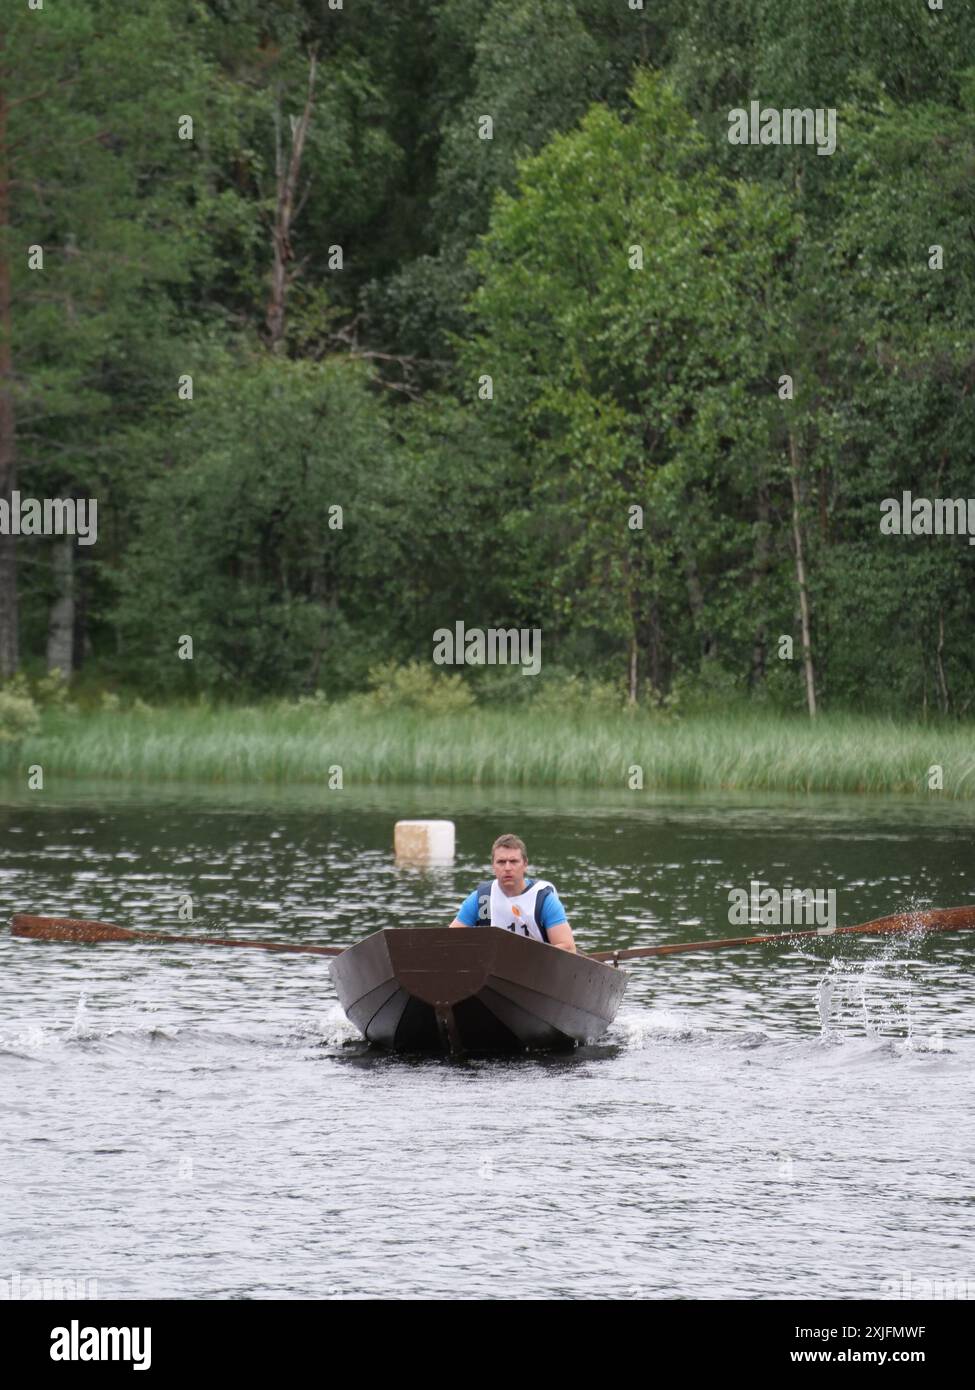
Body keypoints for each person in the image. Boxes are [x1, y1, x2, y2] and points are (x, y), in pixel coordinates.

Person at [448, 833, 577, 952]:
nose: (508, 868)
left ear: (525, 864)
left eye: (514, 861)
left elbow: (569, 948)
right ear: (493, 865)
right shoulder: (482, 898)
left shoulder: (543, 899)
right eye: (501, 862)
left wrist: (528, 951)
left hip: (537, 969)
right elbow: (448, 941)